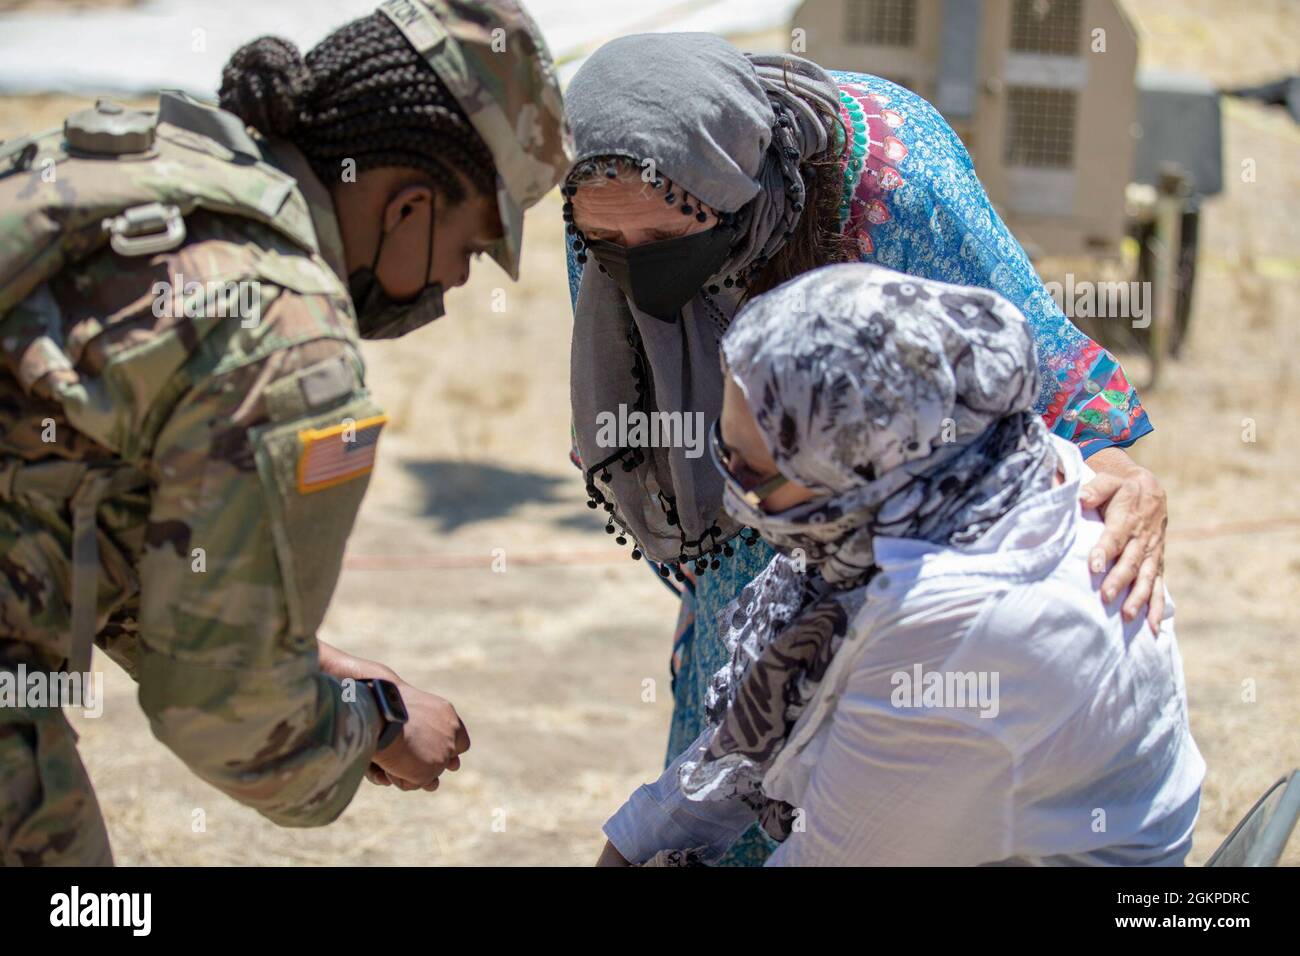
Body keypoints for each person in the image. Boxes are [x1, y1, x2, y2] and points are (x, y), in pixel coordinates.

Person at [562, 33, 1167, 864]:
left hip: (905, 554)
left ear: (736, 187)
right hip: (767, 565)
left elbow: (1015, 340)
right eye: (607, 243)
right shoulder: (608, 203)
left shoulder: (895, 180)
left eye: (668, 238)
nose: (635, 268)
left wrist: (1120, 472)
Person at [0, 0, 572, 865]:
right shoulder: (288, 340)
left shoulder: (140, 169)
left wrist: (320, 662)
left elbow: (70, 503)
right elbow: (230, 719)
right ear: (410, 204)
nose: (456, 282)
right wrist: (376, 724)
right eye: (472, 243)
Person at [596, 263, 1205, 867]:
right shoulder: (985, 465)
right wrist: (633, 843)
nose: (732, 492)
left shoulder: (952, 628)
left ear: (859, 471)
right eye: (723, 452)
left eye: (754, 472)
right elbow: (741, 742)